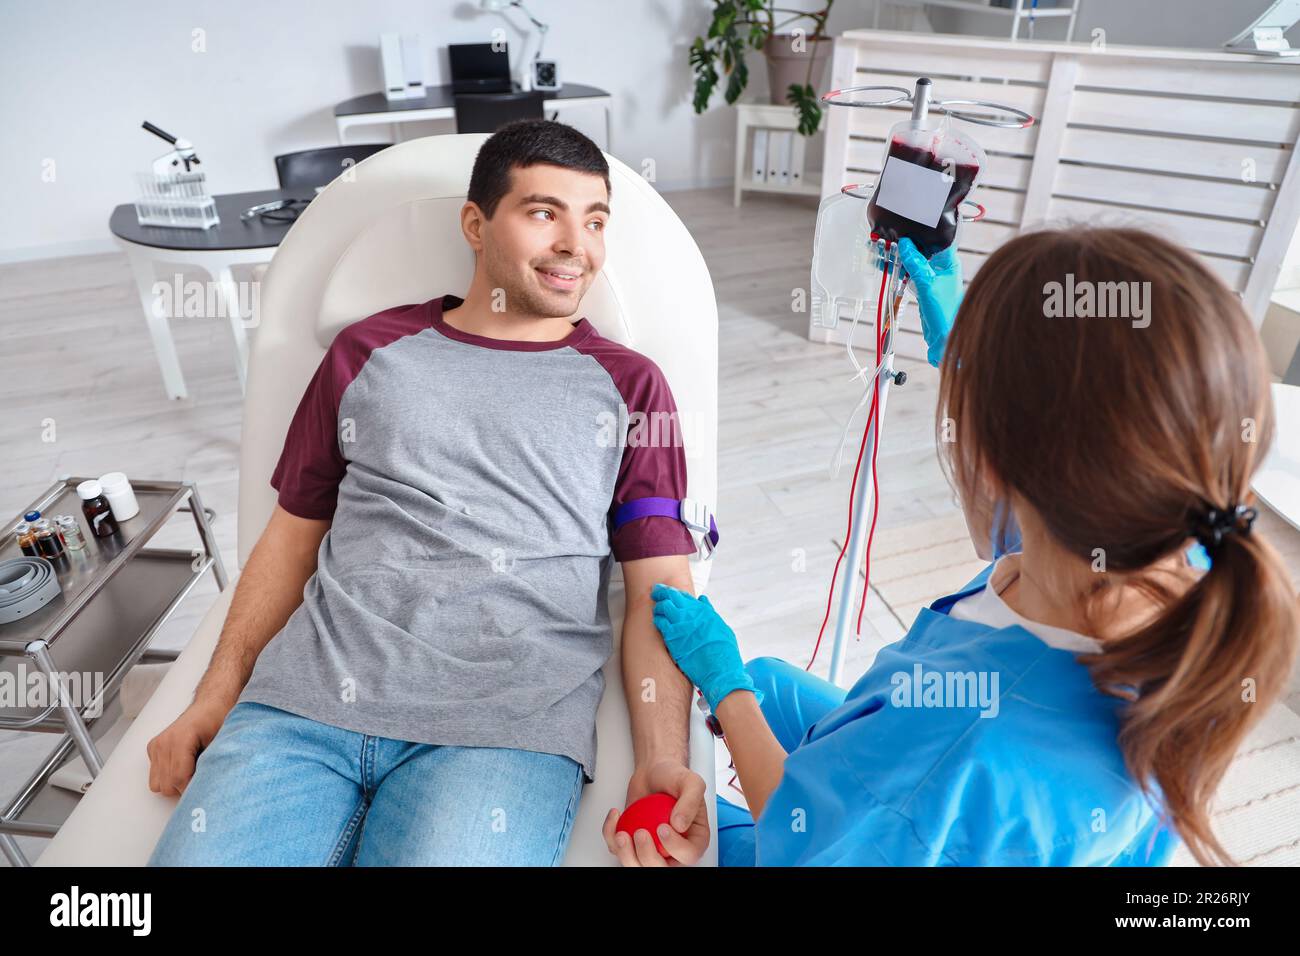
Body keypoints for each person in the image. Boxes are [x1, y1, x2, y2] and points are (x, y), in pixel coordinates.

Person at [625, 227, 1299, 866]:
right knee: (770, 679)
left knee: (657, 814)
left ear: (1006, 465)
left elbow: (805, 840)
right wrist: (960, 347)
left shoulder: (956, 750)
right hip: (939, 775)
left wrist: (724, 682)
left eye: (965, 413)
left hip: (858, 827)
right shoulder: (1173, 543)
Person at [147, 120, 711, 866]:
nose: (578, 245)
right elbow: (289, 536)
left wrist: (661, 756)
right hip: (301, 708)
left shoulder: (632, 388)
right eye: (545, 213)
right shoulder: (367, 351)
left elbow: (660, 588)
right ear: (476, 224)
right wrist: (214, 697)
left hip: (501, 729)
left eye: (595, 220)